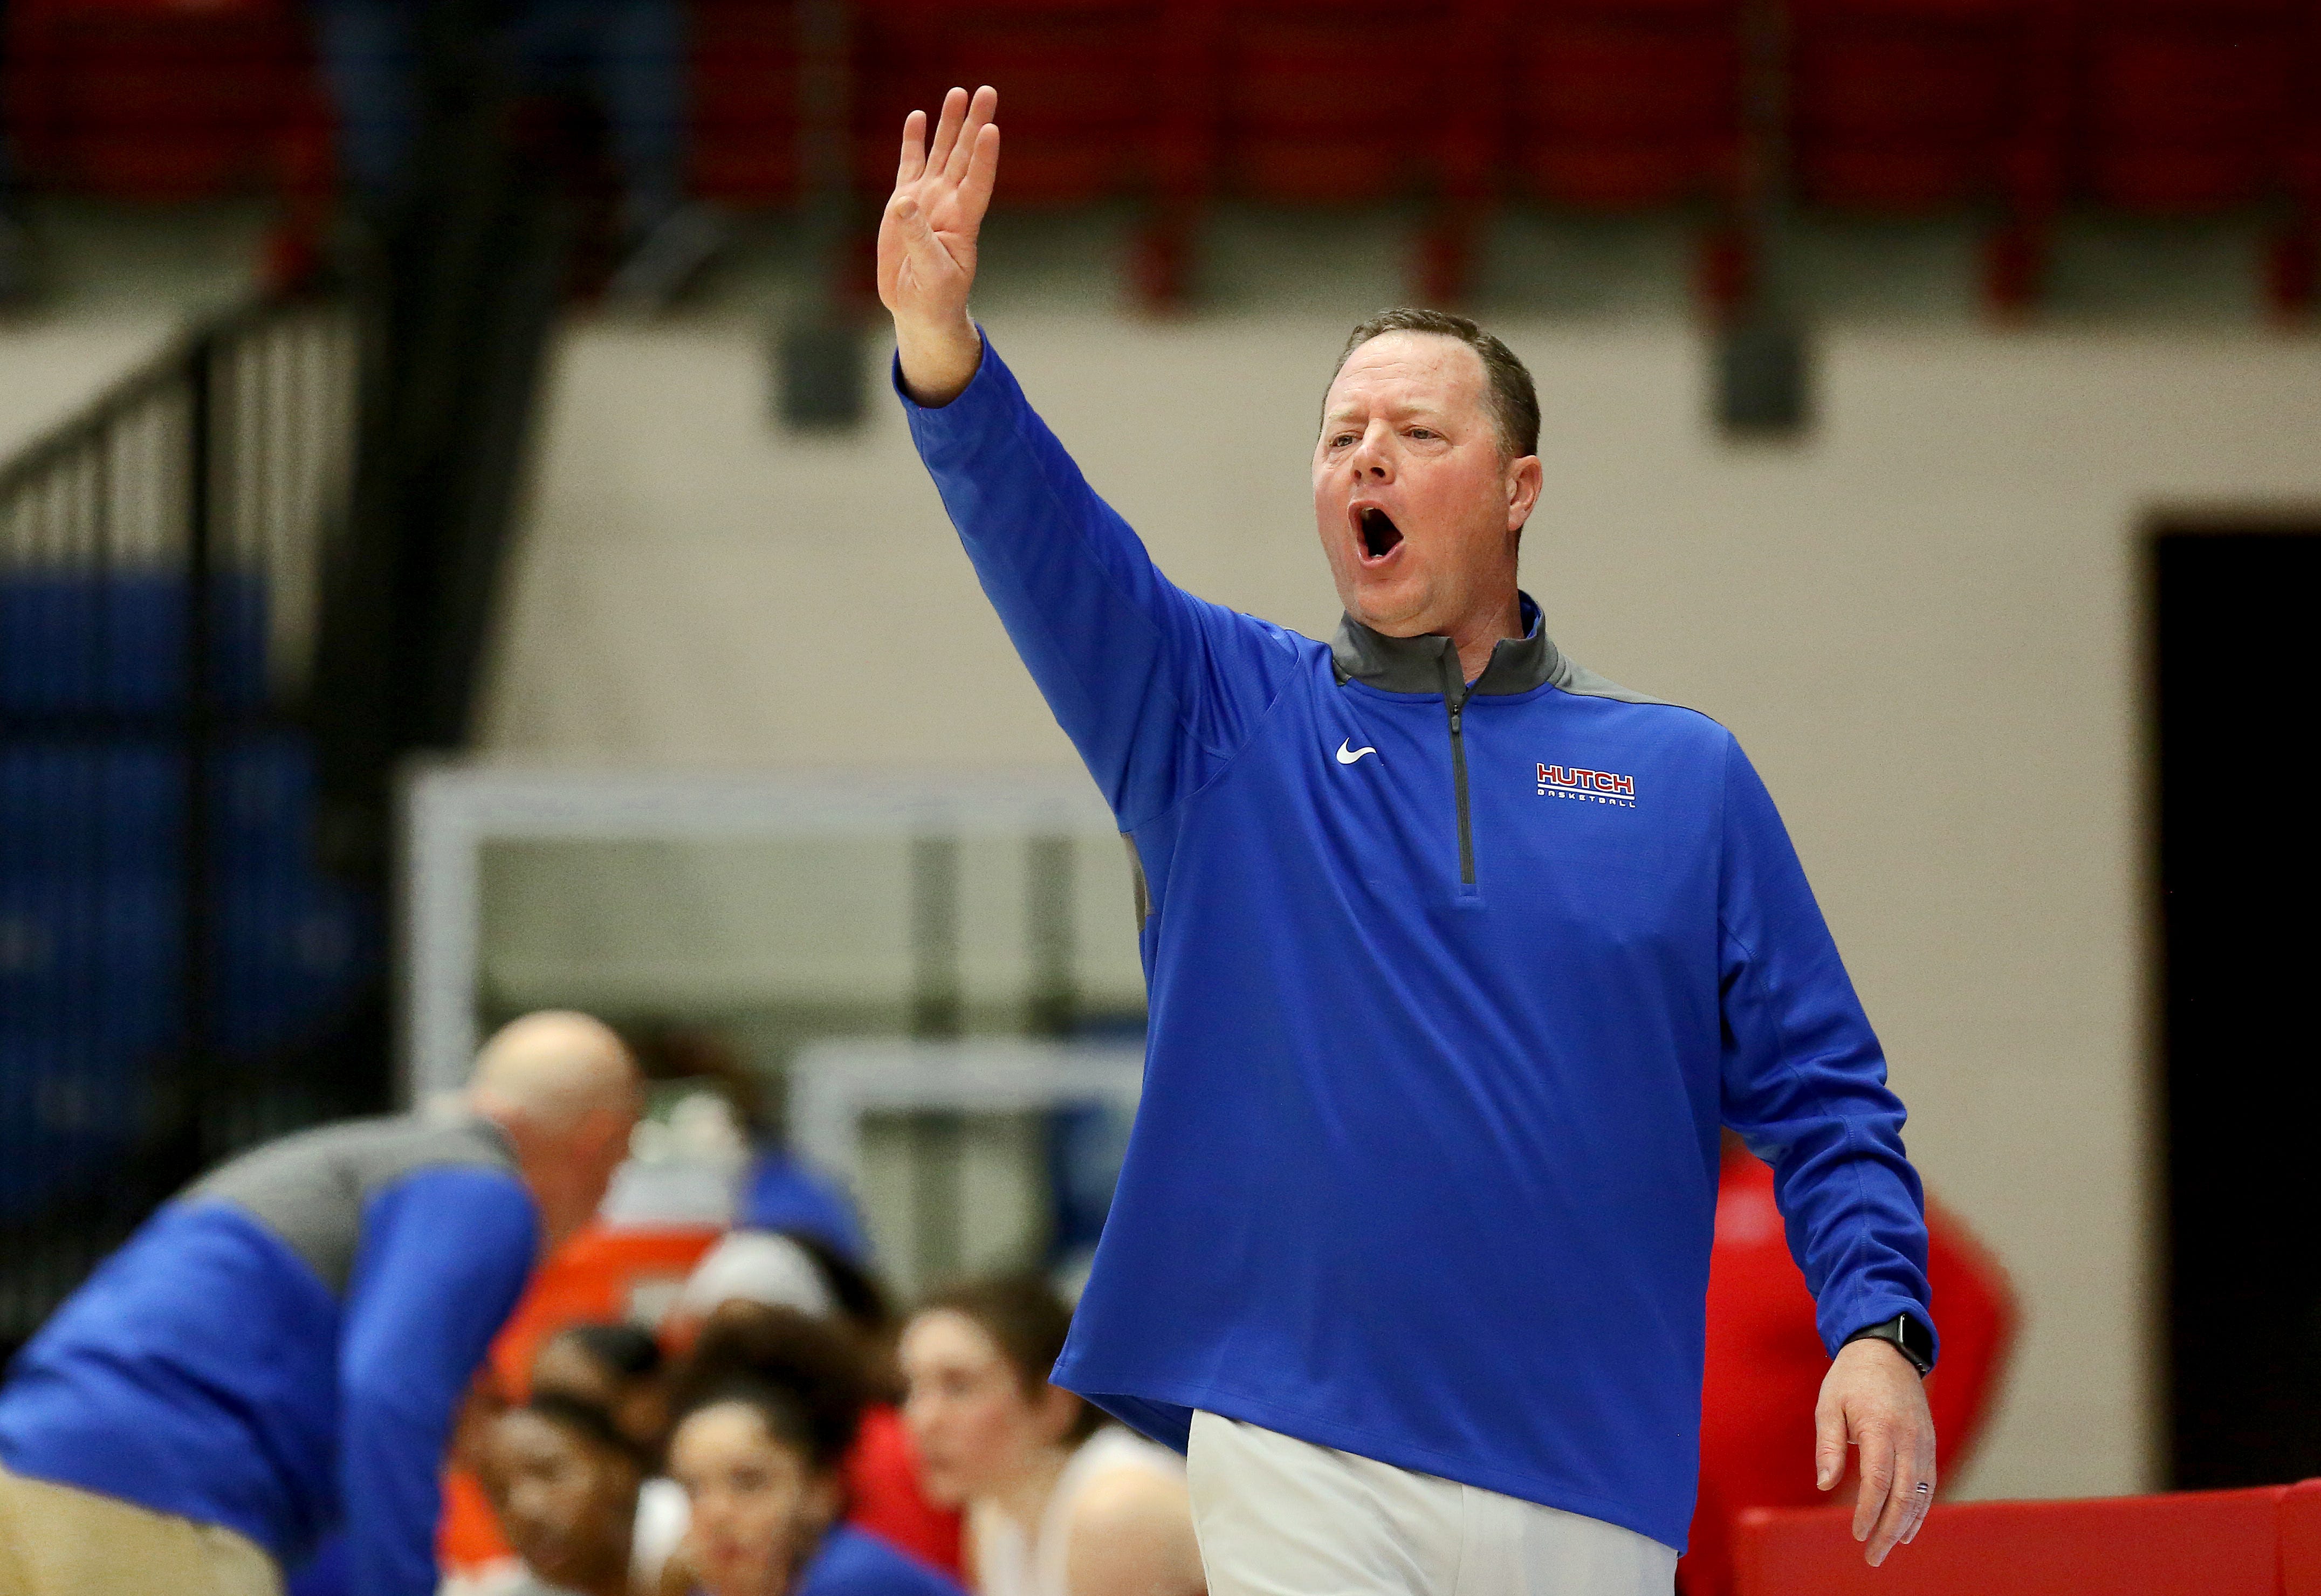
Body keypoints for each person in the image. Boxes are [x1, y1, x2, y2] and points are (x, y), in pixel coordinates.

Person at [878, 85, 1941, 1596]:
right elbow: (1051, 549)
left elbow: (1829, 1097)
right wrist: (942, 350)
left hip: (1594, 1463)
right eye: (1341, 434)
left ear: (1516, 493)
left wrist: (1877, 1328)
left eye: (1416, 431)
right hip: (1301, 1438)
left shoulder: (1683, 778)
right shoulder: (1221, 717)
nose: (1365, 456)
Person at [0, 1010, 642, 1596]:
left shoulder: (369, 1165)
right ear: (598, 1141)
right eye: (614, 1173)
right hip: (161, 1492)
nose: (600, 1206)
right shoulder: (481, 1188)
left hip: (31, 1467)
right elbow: (390, 1394)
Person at [1677, 1136, 2017, 1596]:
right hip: (1663, 1536)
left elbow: (1970, 1313)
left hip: (1800, 1546)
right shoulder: (1650, 1202)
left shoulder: (1821, 1197)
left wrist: (1903, 1473)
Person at [651, 1234, 963, 1581]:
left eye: (749, 1482)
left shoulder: (852, 1578)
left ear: (822, 1490)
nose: (717, 1514)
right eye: (692, 1490)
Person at [897, 1278, 1202, 1596]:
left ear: (1054, 1400)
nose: (921, 1420)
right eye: (909, 1388)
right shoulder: (992, 1516)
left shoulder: (1114, 1513)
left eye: (958, 1386)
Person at [489, 1394, 651, 1596]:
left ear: (617, 1471)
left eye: (549, 1472)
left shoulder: (689, 1533)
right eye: (500, 1494)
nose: (525, 1509)